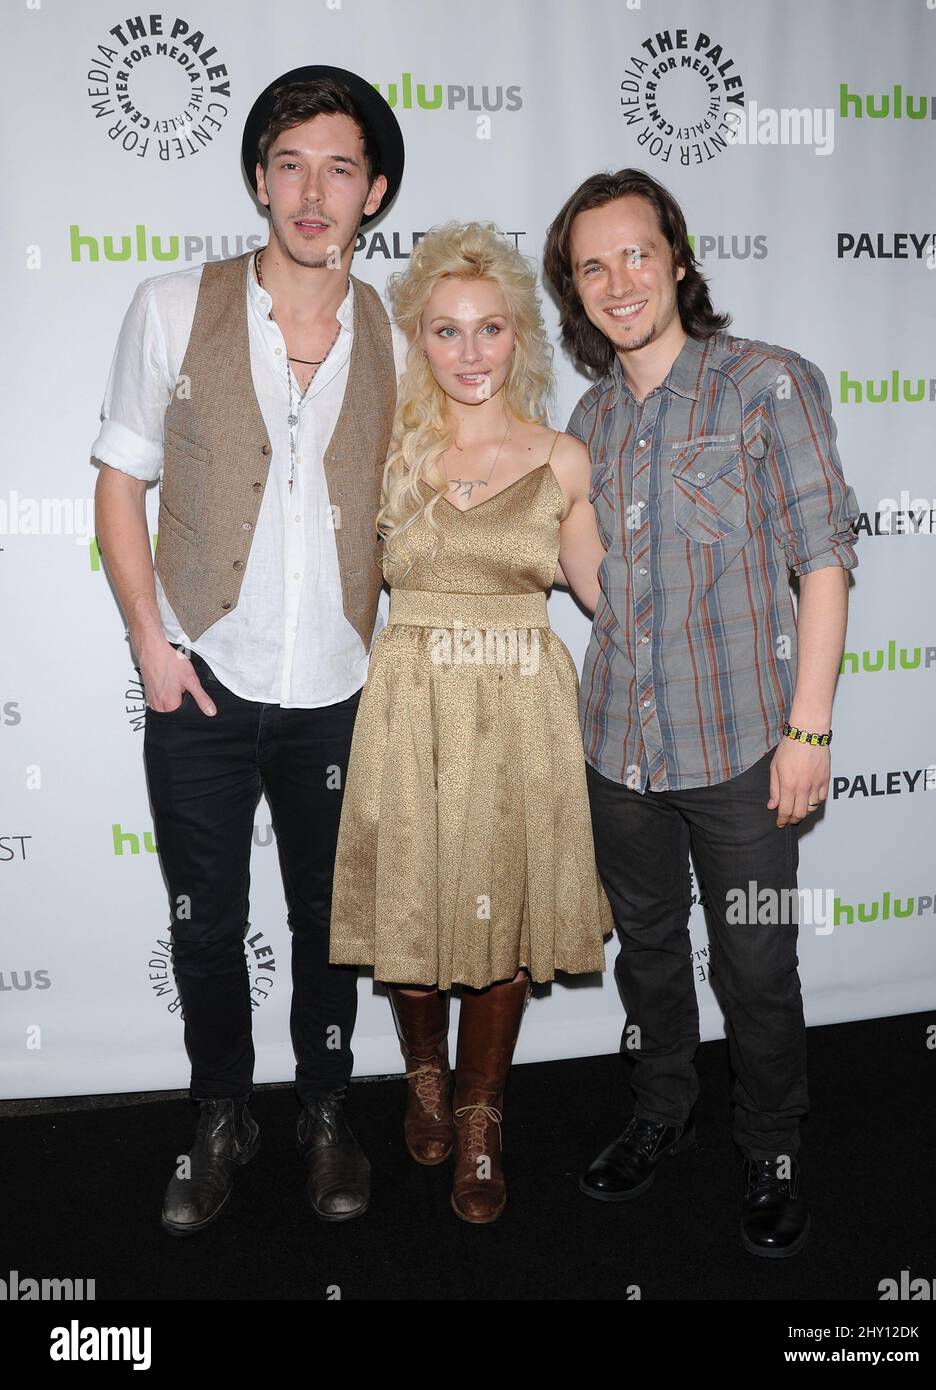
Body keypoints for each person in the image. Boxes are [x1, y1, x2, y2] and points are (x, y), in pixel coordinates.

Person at [90, 66, 406, 1234]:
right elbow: (120, 483)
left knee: (333, 926)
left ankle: (328, 1108)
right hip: (202, 683)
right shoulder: (175, 307)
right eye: (289, 164)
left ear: (373, 191)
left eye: (338, 168)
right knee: (205, 921)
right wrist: (151, 650)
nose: (311, 191)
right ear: (260, 179)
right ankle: (220, 1109)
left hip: (339, 688)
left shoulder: (394, 329)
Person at [543, 169, 860, 1257]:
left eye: (637, 253)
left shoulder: (765, 385)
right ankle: (661, 1108)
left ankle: (771, 1142)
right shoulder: (585, 421)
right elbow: (597, 589)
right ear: (574, 291)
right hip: (618, 752)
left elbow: (824, 561)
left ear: (677, 258)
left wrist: (808, 729)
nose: (619, 280)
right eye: (593, 265)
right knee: (647, 950)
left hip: (741, 751)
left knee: (758, 962)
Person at [328, 221, 615, 1224]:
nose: (469, 351)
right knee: (412, 898)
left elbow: (603, 592)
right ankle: (423, 1072)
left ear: (519, 337)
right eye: (445, 331)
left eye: (489, 328)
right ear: (417, 337)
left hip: (520, 710)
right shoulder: (382, 454)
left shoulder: (563, 457)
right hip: (412, 701)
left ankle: (484, 1111)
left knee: (504, 913)